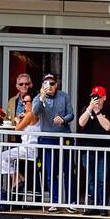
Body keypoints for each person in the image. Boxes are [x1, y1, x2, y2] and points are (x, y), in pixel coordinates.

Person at [32, 71, 73, 210]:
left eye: (52, 83)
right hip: (47, 139)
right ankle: (54, 202)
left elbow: (71, 114)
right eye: (46, 83)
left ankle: (70, 202)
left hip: (64, 138)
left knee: (68, 171)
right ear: (42, 85)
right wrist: (42, 97)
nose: (49, 86)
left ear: (57, 84)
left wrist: (63, 119)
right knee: (51, 172)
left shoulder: (64, 96)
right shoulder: (39, 98)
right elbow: (35, 112)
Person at [77, 84, 110, 212]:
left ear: (104, 98)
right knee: (90, 178)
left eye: (98, 97)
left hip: (103, 150)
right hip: (87, 149)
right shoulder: (85, 109)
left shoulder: (107, 111)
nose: (95, 99)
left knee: (101, 178)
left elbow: (107, 126)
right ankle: (93, 205)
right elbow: (81, 123)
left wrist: (97, 111)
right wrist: (89, 109)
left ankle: (103, 206)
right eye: (93, 97)